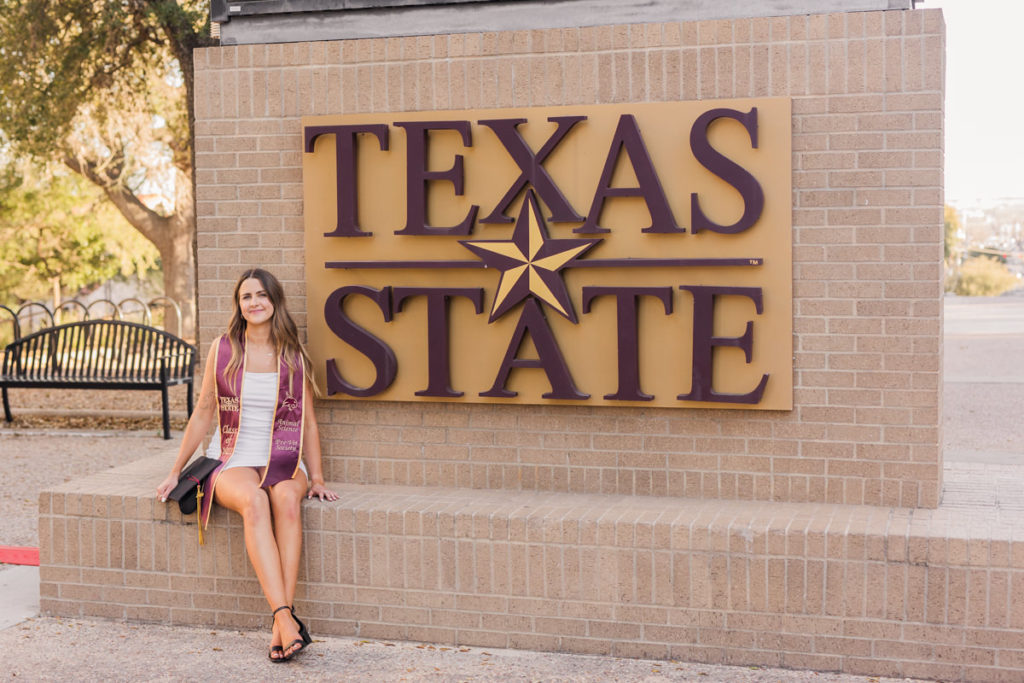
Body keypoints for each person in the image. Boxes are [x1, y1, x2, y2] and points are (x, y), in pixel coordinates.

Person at [156, 268, 338, 663]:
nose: (254, 302)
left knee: (287, 501)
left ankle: (281, 623)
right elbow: (204, 411)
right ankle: (286, 618)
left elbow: (307, 420)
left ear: (274, 302)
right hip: (234, 457)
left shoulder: (292, 354)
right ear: (239, 305)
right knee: (255, 503)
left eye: (261, 295)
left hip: (283, 456)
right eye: (246, 297)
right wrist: (176, 470)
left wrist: (318, 476)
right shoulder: (224, 349)